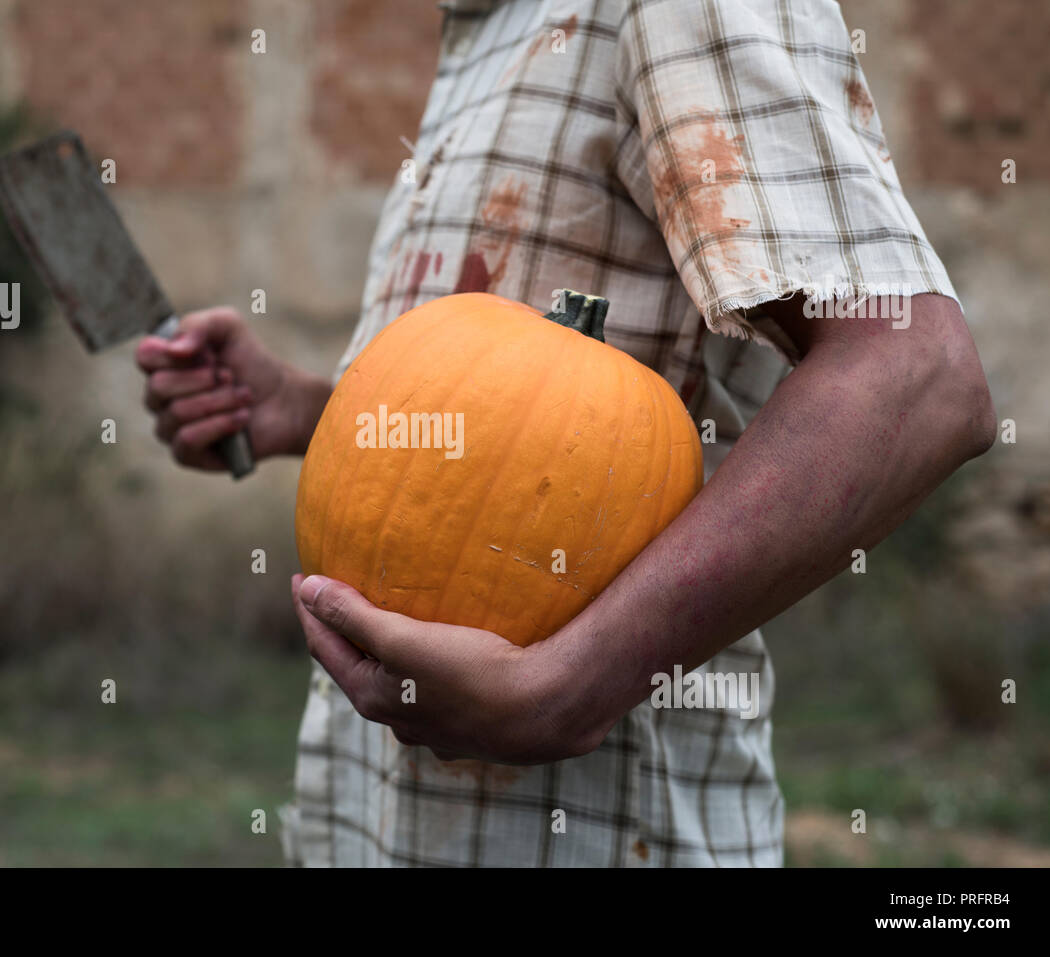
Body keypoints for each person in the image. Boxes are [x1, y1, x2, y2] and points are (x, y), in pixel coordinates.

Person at [135, 0, 995, 866]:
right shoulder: (489, 29)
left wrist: (570, 685)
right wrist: (309, 409)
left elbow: (918, 375)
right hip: (373, 821)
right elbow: (520, 437)